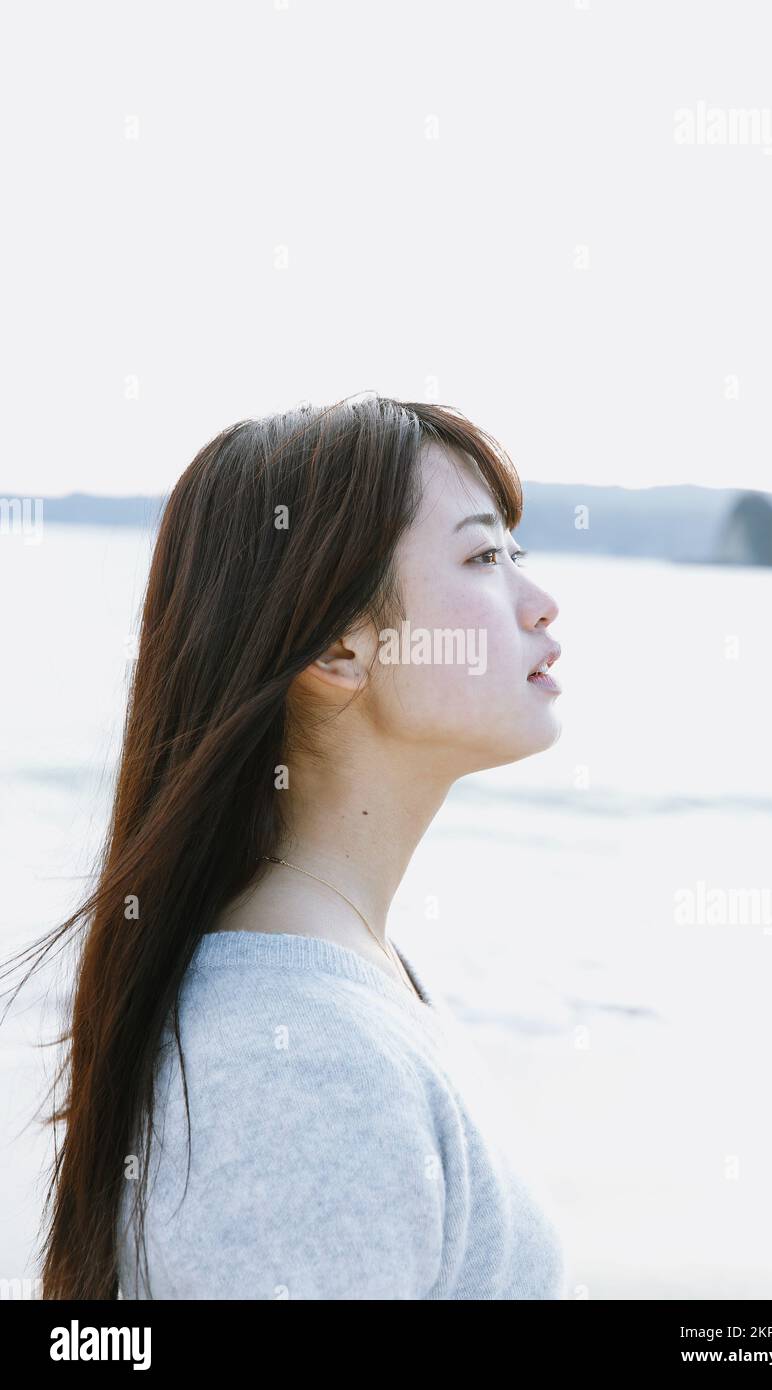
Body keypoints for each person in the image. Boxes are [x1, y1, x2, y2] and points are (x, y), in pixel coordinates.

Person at [10, 394, 566, 1299]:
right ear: (339, 647)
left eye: (518, 555)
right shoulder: (303, 1068)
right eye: (481, 556)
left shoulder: (348, 986)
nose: (540, 602)